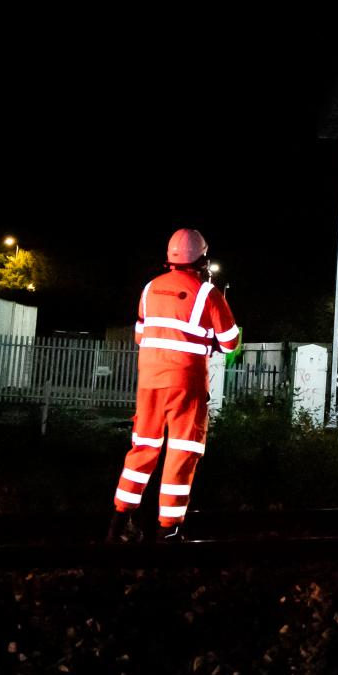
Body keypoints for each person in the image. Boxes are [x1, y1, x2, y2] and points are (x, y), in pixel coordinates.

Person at [106, 228, 240, 542]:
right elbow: (231, 343)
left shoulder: (150, 288)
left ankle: (119, 522)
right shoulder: (208, 294)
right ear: (203, 259)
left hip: (150, 382)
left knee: (143, 449)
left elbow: (141, 336)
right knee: (182, 452)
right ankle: (169, 530)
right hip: (186, 385)